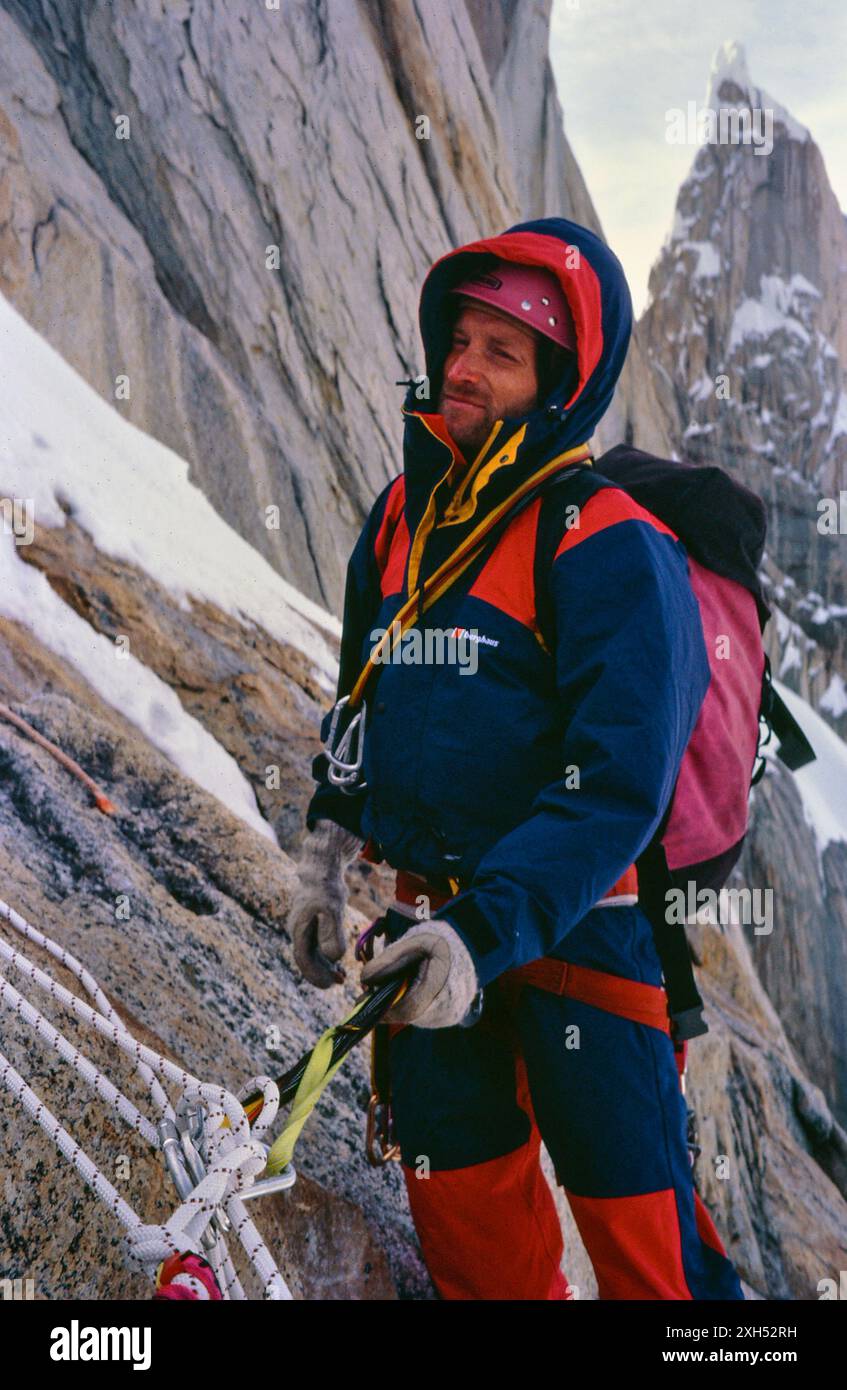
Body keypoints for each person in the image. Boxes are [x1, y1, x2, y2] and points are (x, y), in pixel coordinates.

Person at [287, 216, 745, 1301]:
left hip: (583, 942)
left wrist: (479, 932)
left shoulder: (606, 536)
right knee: (473, 1247)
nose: (463, 368)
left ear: (557, 380)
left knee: (652, 1266)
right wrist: (322, 857)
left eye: (502, 350)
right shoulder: (403, 516)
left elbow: (618, 779)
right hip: (427, 939)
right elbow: (362, 706)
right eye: (460, 339)